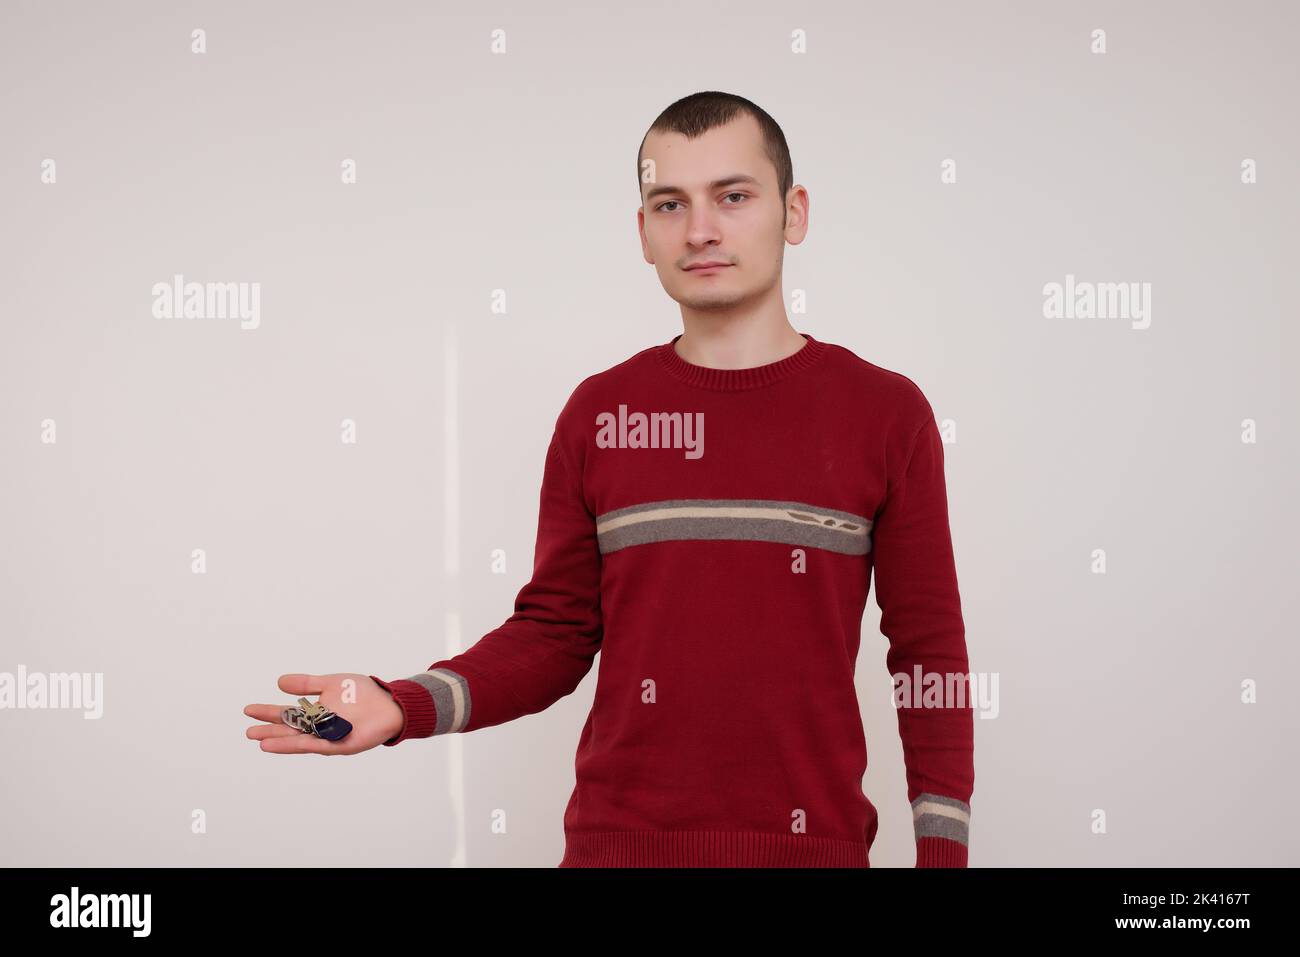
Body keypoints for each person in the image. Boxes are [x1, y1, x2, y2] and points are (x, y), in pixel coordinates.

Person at [244, 91, 974, 868]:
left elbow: (929, 656)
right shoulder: (601, 413)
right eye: (670, 203)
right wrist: (403, 702)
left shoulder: (886, 413)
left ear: (793, 212)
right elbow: (554, 634)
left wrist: (943, 858)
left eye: (733, 196)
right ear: (644, 233)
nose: (700, 229)